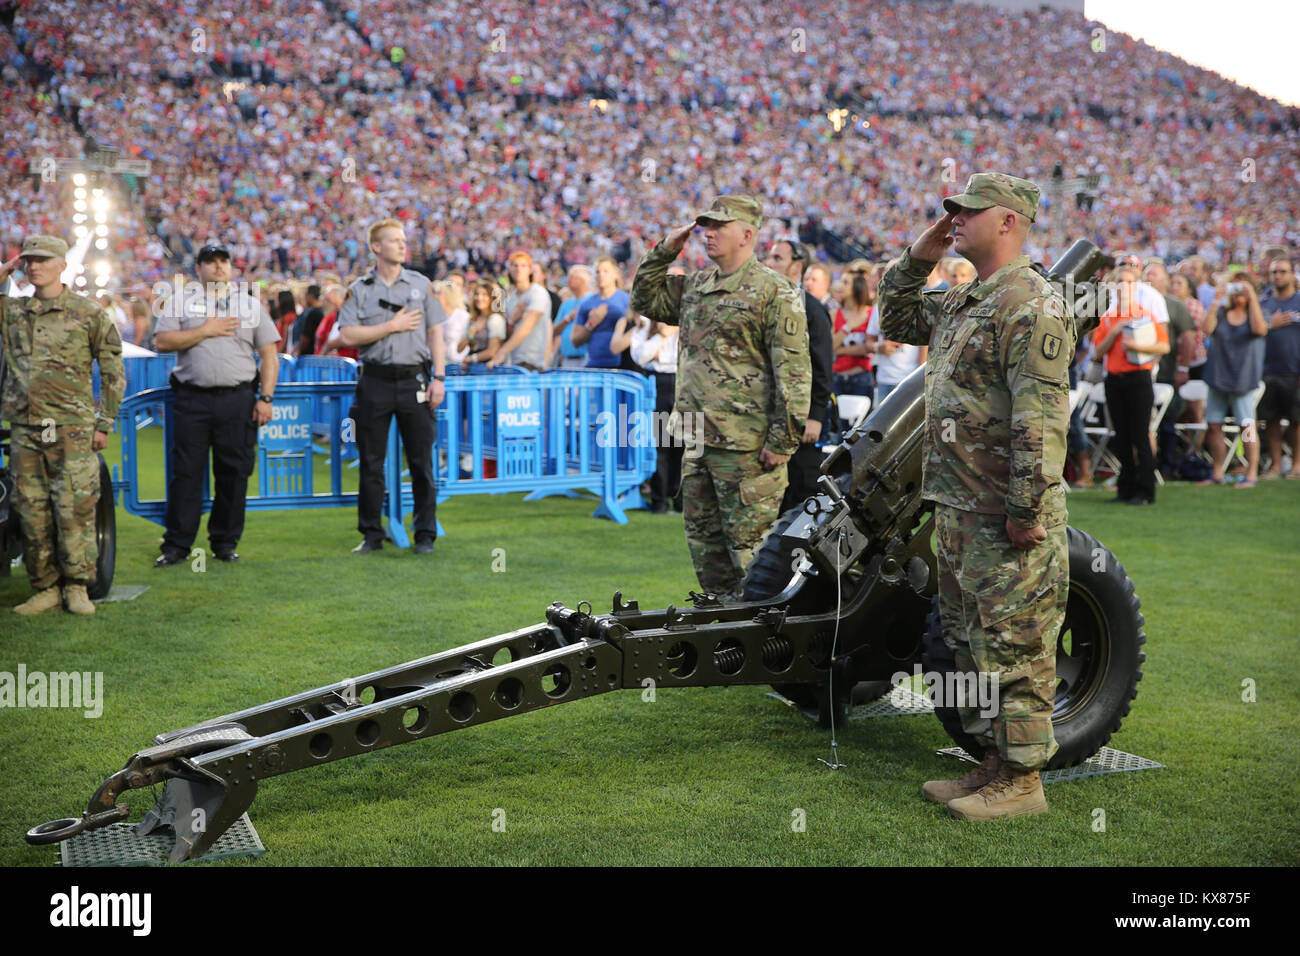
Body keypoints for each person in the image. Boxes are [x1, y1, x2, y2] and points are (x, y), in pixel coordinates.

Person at [877, 172, 1072, 821]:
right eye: (949, 210)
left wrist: (1026, 509)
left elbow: (1039, 418)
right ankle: (993, 762)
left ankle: (1023, 782)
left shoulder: (1031, 301)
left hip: (1003, 514)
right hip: (959, 509)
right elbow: (898, 316)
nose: (954, 217)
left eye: (967, 210)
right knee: (970, 643)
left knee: (1015, 644)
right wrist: (923, 252)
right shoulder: (966, 300)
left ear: (1010, 220)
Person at [631, 194, 810, 600]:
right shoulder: (696, 286)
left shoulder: (774, 291)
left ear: (747, 234)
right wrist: (663, 251)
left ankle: (765, 645)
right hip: (698, 443)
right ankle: (722, 638)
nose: (707, 234)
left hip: (746, 449)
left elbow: (794, 373)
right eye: (705, 226)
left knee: (752, 558)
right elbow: (643, 298)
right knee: (707, 556)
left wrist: (783, 441)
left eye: (718, 226)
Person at [0, 237, 124, 614]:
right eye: (28, 261)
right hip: (25, 427)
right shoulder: (14, 311)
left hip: (71, 427)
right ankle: (45, 586)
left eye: (42, 260)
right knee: (31, 511)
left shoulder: (89, 313)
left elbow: (114, 371)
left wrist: (104, 423)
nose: (33, 267)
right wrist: (4, 270)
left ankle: (77, 586)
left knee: (75, 508)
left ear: (62, 265)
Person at [152, 242, 280, 567]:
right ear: (199, 269)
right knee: (186, 473)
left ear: (232, 267)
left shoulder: (249, 305)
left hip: (238, 399)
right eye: (211, 261)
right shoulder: (180, 301)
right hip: (192, 398)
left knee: (234, 473)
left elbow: (269, 354)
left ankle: (225, 543)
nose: (218, 266)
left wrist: (266, 398)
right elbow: (162, 341)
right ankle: (177, 545)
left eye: (224, 261)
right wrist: (205, 330)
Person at [337, 219, 447, 554]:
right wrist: (391, 326)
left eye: (403, 240)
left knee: (421, 462)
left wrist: (439, 378)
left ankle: (425, 534)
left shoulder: (420, 283)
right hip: (375, 380)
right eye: (395, 241)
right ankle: (372, 534)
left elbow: (435, 334)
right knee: (371, 462)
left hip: (415, 377)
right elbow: (347, 335)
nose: (403, 245)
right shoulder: (360, 288)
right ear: (376, 247)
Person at [764, 238, 833, 512]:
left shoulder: (812, 309)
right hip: (767, 414)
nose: (770, 263)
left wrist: (816, 414)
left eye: (778, 258)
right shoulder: (764, 304)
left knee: (799, 495)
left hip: (800, 417)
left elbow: (822, 365)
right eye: (769, 256)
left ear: (797, 266)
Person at [1092, 264, 1169, 505]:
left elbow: (1163, 347)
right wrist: (1115, 332)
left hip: (1138, 378)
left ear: (1135, 287)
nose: (1124, 286)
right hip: (1114, 379)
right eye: (1120, 282)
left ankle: (1146, 490)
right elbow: (1097, 352)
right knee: (1121, 436)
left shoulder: (1144, 314)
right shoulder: (1107, 318)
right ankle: (1125, 488)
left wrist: (1137, 347)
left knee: (1140, 435)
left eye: (1129, 282)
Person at [1198, 277, 1268, 487]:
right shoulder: (1220, 312)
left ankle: (1252, 473)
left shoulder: (1257, 313)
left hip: (1243, 379)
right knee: (1214, 425)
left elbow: (1259, 330)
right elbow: (1206, 328)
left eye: (1241, 289)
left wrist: (1252, 298)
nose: (1238, 294)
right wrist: (1216, 300)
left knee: (1247, 427)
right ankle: (1217, 471)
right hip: (1217, 375)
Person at [1257, 256, 1300, 479]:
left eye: (1283, 271)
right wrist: (1268, 325)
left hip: (1294, 370)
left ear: (1292, 274)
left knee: (1296, 421)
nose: (1278, 276)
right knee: (1270, 421)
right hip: (1268, 370)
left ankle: (1296, 465)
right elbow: (1253, 330)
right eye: (1274, 272)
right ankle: (1275, 466)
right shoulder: (1263, 302)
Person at [488, 251, 551, 371]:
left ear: (530, 270)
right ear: (510, 269)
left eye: (523, 265)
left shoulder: (538, 292)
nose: (518, 269)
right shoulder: (511, 298)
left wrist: (501, 352)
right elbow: (508, 332)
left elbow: (528, 326)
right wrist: (512, 321)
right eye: (515, 265)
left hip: (533, 362)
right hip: (515, 362)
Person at [572, 257, 630, 369]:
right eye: (597, 271)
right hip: (594, 365)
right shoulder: (587, 304)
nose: (601, 275)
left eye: (605, 271)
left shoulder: (627, 300)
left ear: (616, 274)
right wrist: (591, 323)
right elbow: (575, 341)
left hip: (623, 366)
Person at [460, 281, 507, 368]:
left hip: (490, 369)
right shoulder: (473, 319)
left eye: (484, 295)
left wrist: (470, 359)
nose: (479, 298)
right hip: (474, 367)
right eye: (477, 294)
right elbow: (459, 348)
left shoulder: (495, 319)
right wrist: (472, 332)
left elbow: (492, 352)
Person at [293, 285, 324, 357]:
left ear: (310, 296)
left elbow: (306, 338)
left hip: (308, 355)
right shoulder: (320, 311)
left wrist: (298, 352)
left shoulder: (313, 313)